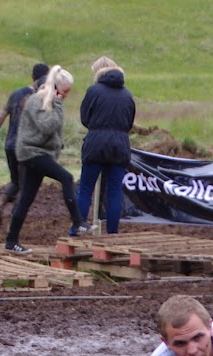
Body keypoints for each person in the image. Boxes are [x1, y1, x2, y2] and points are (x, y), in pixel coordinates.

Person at [4, 65, 81, 255]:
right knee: (66, 177)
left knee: (26, 199)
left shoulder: (48, 101)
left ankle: (11, 241)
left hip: (39, 153)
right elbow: (47, 126)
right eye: (65, 92)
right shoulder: (37, 101)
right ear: (55, 87)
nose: (66, 96)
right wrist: (59, 105)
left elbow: (52, 131)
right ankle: (79, 222)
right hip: (31, 153)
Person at [0, 62, 48, 230]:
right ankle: (14, 221)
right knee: (25, 185)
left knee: (15, 180)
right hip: (26, 147)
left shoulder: (16, 93)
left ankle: (0, 203)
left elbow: (1, 116)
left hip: (9, 145)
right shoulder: (41, 97)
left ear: (32, 77)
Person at [76, 56, 135, 236]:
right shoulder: (127, 94)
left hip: (96, 144)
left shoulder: (93, 91)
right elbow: (129, 122)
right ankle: (112, 234)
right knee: (115, 191)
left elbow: (85, 118)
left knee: (86, 188)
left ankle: (76, 229)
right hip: (120, 145)